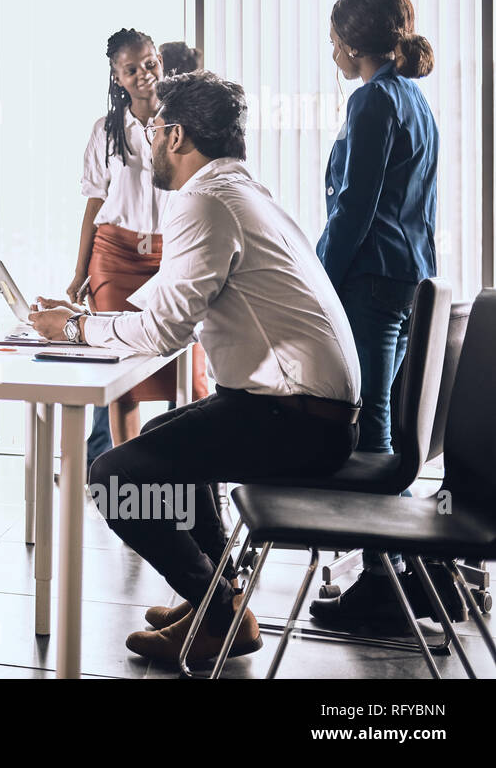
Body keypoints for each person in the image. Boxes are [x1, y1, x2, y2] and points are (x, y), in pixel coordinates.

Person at [30, 72, 362, 665]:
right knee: (165, 438)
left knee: (115, 477)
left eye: (153, 130)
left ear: (176, 135)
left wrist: (77, 329)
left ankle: (215, 615)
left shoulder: (204, 201)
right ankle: (222, 599)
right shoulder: (239, 192)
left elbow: (162, 334)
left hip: (301, 421)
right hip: (308, 410)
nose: (148, 143)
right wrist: (83, 315)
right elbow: (171, 298)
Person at [307, 0, 448, 628]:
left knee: (375, 437)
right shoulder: (414, 101)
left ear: (351, 41)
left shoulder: (370, 102)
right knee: (387, 428)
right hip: (409, 279)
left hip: (370, 282)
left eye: (333, 35)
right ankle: (414, 576)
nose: (329, 47)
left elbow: (353, 209)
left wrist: (313, 277)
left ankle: (383, 584)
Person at [70, 29, 207, 467]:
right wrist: (79, 272)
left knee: (193, 378)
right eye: (132, 69)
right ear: (118, 77)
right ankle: (128, 484)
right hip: (115, 254)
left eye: (150, 63)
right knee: (122, 377)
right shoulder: (105, 131)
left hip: (173, 254)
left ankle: (193, 483)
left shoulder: (183, 124)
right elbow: (95, 203)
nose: (145, 74)